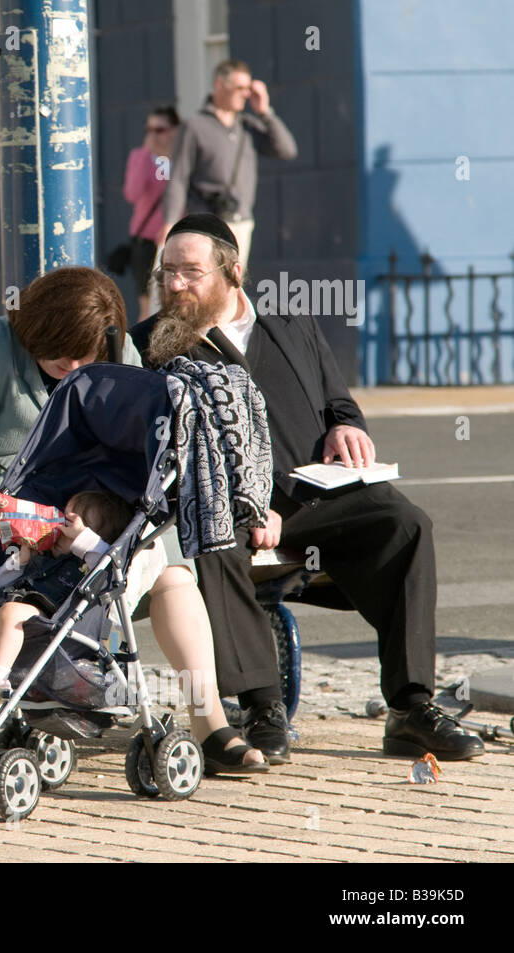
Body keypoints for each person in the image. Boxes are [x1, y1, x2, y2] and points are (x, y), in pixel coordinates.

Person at [130, 213, 484, 764]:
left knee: (406, 523)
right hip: (220, 507)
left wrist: (348, 426)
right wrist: (248, 508)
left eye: (190, 272)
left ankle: (411, 707)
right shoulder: (149, 346)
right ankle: (262, 706)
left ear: (233, 272)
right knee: (213, 536)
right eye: (167, 271)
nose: (174, 284)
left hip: (313, 501)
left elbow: (339, 402)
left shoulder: (292, 324)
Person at [0, 266, 266, 771]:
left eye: (83, 356)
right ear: (31, 333)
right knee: (115, 567)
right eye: (59, 353)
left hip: (100, 513)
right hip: (1, 512)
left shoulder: (119, 354)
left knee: (173, 569)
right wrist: (24, 511)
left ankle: (209, 719)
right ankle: (77, 676)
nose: (71, 365)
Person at [0, 491, 167, 714]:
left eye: (76, 524)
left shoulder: (91, 562)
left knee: (11, 611)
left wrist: (82, 539)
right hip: (9, 605)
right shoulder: (43, 555)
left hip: (53, 615)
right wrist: (20, 561)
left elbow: (107, 563)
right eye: (63, 518)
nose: (64, 527)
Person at [159, 59, 297, 269]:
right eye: (240, 88)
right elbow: (178, 177)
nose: (245, 94)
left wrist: (265, 111)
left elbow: (287, 150)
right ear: (220, 85)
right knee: (205, 282)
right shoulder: (195, 126)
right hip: (205, 223)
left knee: (233, 286)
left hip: (240, 222)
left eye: (248, 89)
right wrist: (169, 222)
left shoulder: (247, 127)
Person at [122, 106, 179, 320]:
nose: (154, 135)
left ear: (174, 130)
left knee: (175, 304)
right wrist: (146, 154)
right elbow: (132, 193)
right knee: (147, 308)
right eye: (149, 130)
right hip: (146, 241)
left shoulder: (181, 158)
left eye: (160, 130)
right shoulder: (141, 157)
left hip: (174, 237)